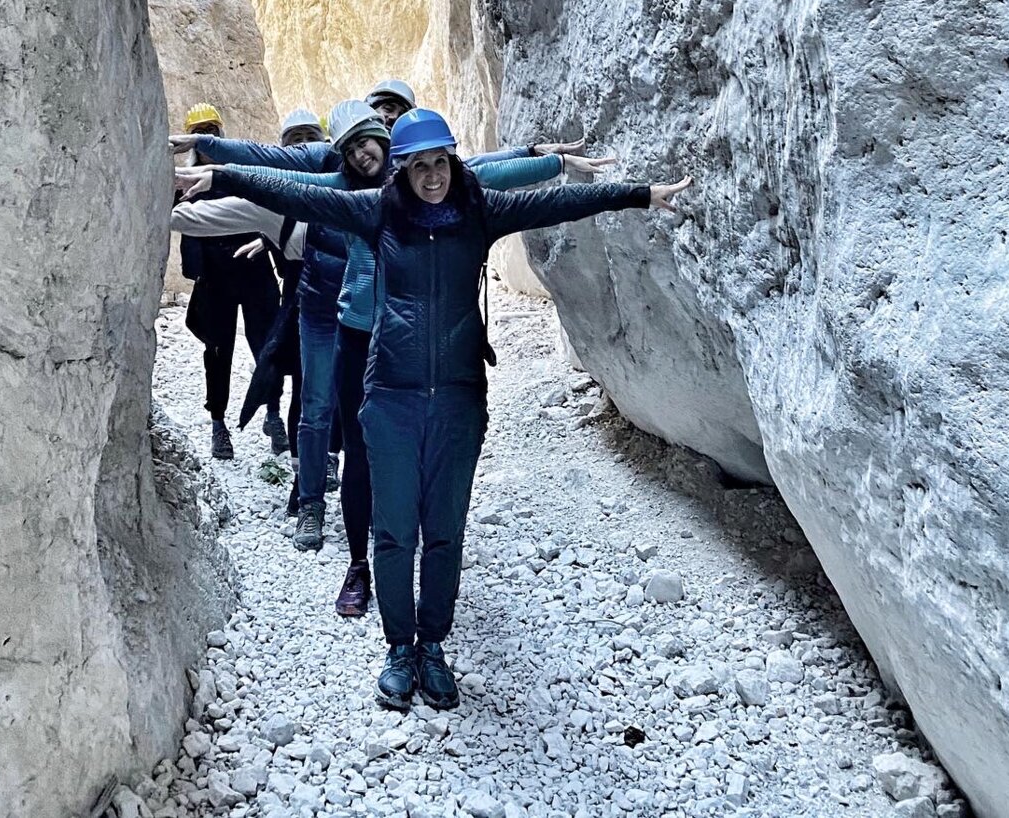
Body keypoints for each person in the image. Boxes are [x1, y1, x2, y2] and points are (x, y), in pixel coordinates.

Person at [177, 108, 692, 711]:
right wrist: (224, 175)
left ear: (451, 159)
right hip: (390, 398)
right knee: (393, 534)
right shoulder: (377, 211)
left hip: (458, 399)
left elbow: (560, 204)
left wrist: (641, 194)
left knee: (444, 533)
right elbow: (295, 190)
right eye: (418, 165)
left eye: (439, 162)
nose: (431, 177)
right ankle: (399, 648)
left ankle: (432, 646)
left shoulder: (482, 211)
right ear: (402, 168)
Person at [174, 100, 608, 619]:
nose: (362, 153)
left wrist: (549, 161)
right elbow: (270, 171)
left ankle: (409, 565)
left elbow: (485, 171)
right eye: (352, 144)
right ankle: (352, 555)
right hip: (346, 327)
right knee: (344, 443)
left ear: (390, 144)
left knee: (401, 456)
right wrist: (215, 164)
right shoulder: (341, 189)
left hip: (396, 344)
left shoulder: (417, 186)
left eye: (372, 139)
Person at [177, 103, 287, 459]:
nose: (205, 137)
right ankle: (218, 424)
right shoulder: (184, 180)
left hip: (255, 270)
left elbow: (276, 213)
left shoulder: (240, 173)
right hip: (214, 278)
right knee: (217, 351)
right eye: (199, 131)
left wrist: (267, 242)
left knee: (269, 347)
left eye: (210, 130)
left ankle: (273, 414)